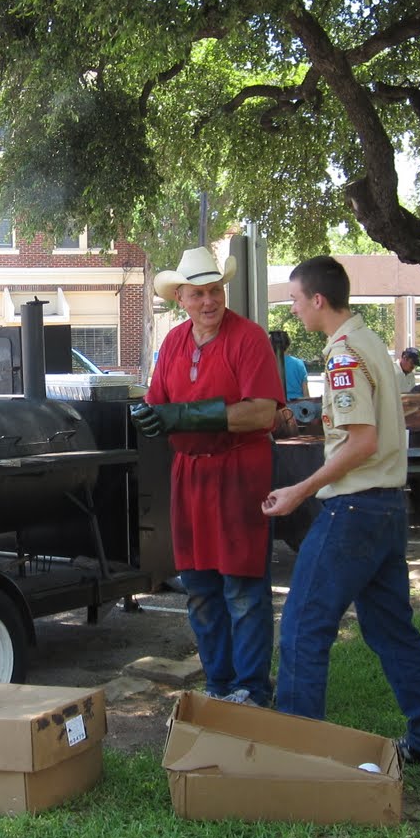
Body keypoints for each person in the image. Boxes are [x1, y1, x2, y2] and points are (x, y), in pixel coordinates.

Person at [263, 256, 420, 765]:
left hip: (352, 510)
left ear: (319, 300)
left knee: (304, 628)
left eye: (295, 299)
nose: (293, 309)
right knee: (391, 628)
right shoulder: (370, 341)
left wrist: (300, 490)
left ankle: (296, 755)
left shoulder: (344, 353)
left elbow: (361, 442)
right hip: (388, 509)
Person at [131, 247, 281, 705]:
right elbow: (158, 403)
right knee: (199, 586)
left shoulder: (249, 337)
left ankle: (251, 688)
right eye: (198, 294)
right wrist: (149, 417)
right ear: (181, 298)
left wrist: (186, 417)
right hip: (190, 477)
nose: (209, 301)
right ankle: (219, 684)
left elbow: (262, 413)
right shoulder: (174, 342)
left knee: (242, 586)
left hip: (240, 472)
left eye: (215, 290)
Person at [269, 329, 310, 401]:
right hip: (297, 405)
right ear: (288, 344)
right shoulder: (298, 363)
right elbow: (305, 392)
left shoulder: (267, 365)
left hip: (276, 405)